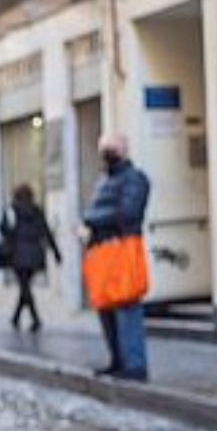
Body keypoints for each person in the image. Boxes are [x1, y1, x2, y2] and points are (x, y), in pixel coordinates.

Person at [84, 134, 151, 381]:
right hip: (101, 253)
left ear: (124, 148)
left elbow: (127, 214)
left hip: (122, 250)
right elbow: (91, 212)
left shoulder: (136, 179)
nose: (107, 152)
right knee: (105, 308)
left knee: (126, 306)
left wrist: (95, 217)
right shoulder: (103, 181)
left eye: (111, 147)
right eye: (103, 148)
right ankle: (117, 360)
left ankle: (135, 364)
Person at [1, 184, 61, 332]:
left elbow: (4, 229)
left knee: (25, 287)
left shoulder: (12, 210)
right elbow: (46, 232)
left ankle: (35, 319)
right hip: (35, 253)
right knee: (25, 286)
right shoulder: (37, 210)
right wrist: (56, 252)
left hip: (18, 253)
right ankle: (16, 317)